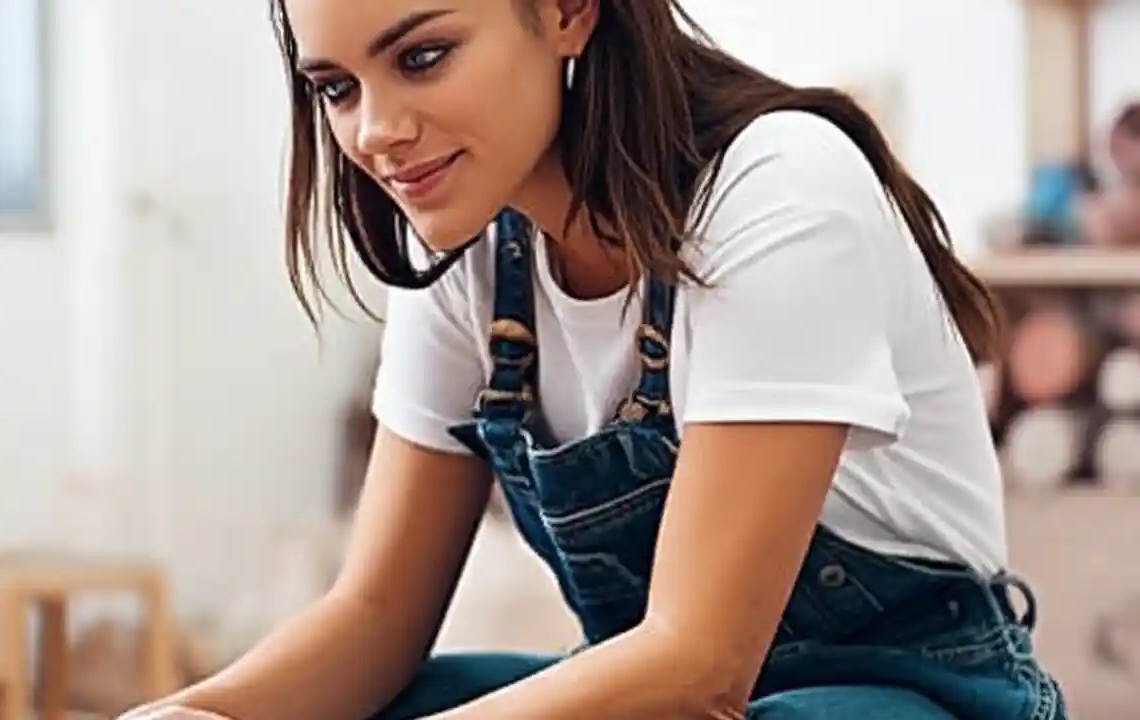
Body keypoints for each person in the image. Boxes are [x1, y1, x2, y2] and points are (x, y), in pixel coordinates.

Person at [123, 1, 1068, 718]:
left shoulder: (779, 191)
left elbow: (700, 663)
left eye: (423, 57)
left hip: (916, 691)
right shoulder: (465, 258)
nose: (375, 131)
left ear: (571, 9)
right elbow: (375, 618)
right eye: (336, 88)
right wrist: (194, 711)